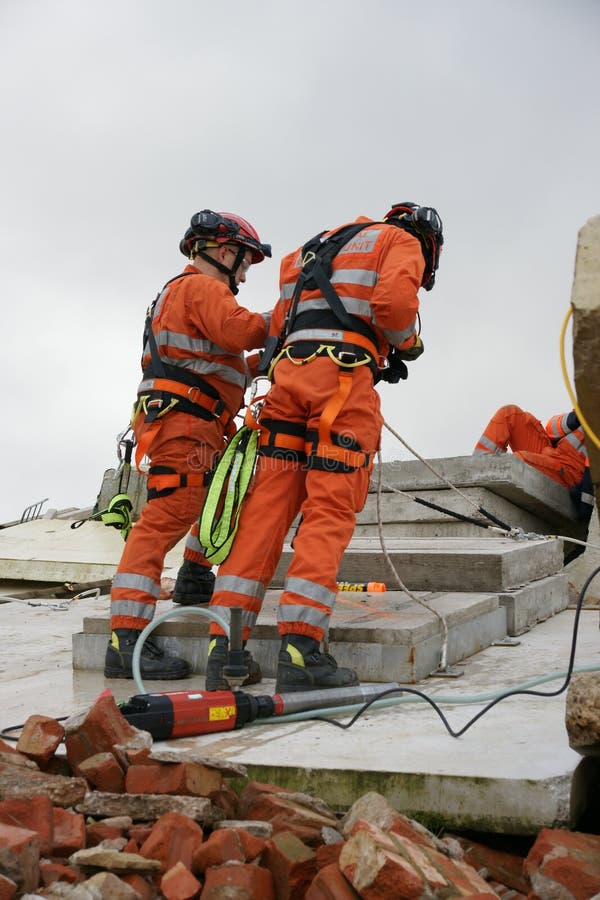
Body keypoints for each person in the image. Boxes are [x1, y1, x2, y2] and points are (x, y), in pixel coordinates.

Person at [205, 202, 444, 693]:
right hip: (340, 385)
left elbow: (278, 324)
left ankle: (224, 651)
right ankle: (300, 651)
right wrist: (408, 345)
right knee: (329, 511)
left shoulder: (310, 250)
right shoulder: (402, 242)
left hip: (287, 384)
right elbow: (395, 309)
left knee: (263, 515)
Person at [104, 210, 272, 680]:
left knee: (209, 498)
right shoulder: (202, 288)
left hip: (193, 418)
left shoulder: (181, 294)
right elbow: (240, 330)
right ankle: (125, 639)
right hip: (185, 421)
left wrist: (265, 361)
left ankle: (195, 578)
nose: (243, 273)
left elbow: (221, 362)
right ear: (223, 251)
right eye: (244, 263)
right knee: (166, 516)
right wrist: (291, 315)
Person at [473, 404, 593, 523]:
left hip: (567, 472)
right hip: (551, 452)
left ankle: (482, 481)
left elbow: (591, 479)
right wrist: (577, 417)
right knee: (509, 413)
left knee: (517, 462)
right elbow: (551, 429)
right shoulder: (591, 407)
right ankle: (474, 470)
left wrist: (586, 512)